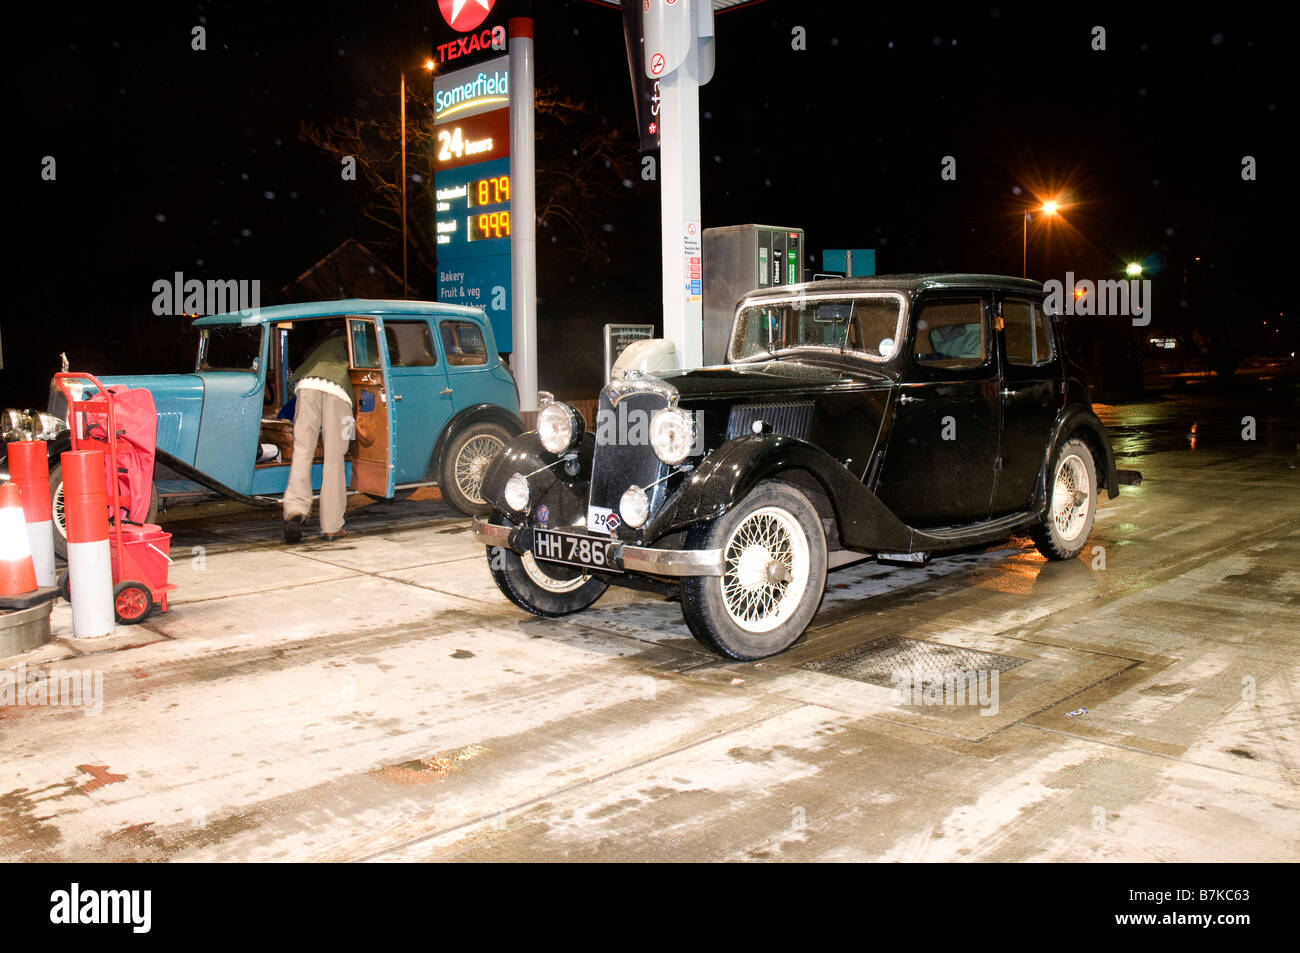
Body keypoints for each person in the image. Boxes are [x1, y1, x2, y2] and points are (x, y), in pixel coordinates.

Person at [282, 329, 354, 542]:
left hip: (305, 385)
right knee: (334, 456)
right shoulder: (358, 338)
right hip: (337, 390)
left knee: (302, 450)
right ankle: (332, 525)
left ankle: (295, 510)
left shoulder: (324, 343)